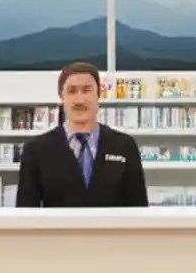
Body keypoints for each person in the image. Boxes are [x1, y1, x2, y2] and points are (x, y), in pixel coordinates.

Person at [16, 62, 148, 207]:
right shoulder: (36, 150)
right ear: (62, 97)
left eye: (87, 90)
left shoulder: (124, 146)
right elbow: (25, 215)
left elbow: (139, 210)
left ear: (99, 95)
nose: (79, 100)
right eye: (72, 91)